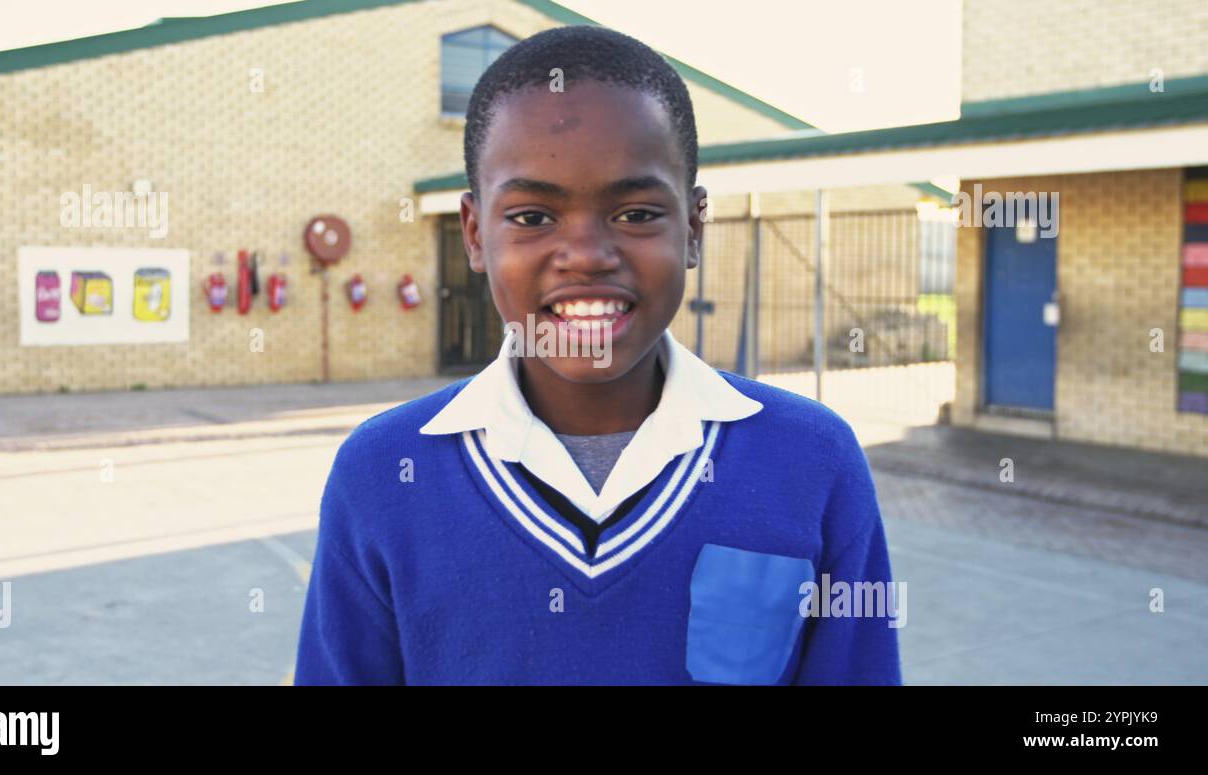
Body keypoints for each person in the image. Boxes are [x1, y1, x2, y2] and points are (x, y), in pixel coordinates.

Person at [294, 24, 901, 685]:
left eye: (637, 213)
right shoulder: (384, 473)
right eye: (532, 217)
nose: (585, 254)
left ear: (694, 228)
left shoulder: (811, 461)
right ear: (474, 233)